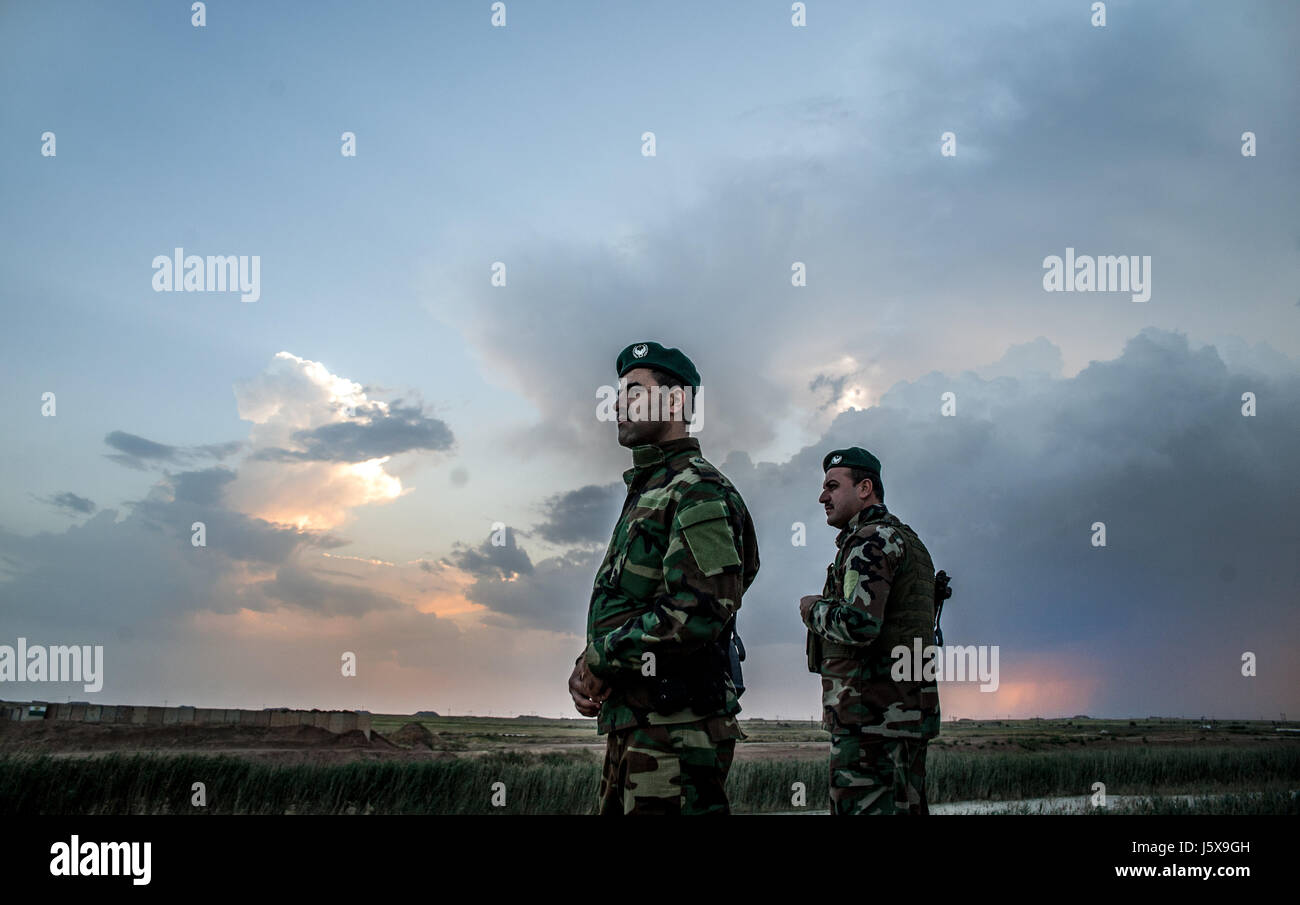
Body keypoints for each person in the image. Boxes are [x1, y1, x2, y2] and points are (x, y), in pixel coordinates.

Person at [568, 341, 759, 815]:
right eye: (618, 394)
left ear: (674, 402)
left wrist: (601, 657)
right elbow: (637, 605)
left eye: (633, 392)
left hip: (677, 730)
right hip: (638, 722)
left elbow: (698, 610)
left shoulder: (699, 490)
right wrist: (591, 663)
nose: (617, 404)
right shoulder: (652, 489)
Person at [799, 447, 940, 814]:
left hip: (869, 721)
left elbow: (860, 625)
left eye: (832, 486)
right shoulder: (908, 541)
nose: (822, 497)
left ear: (865, 488)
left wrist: (813, 609)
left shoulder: (870, 540)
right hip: (904, 719)